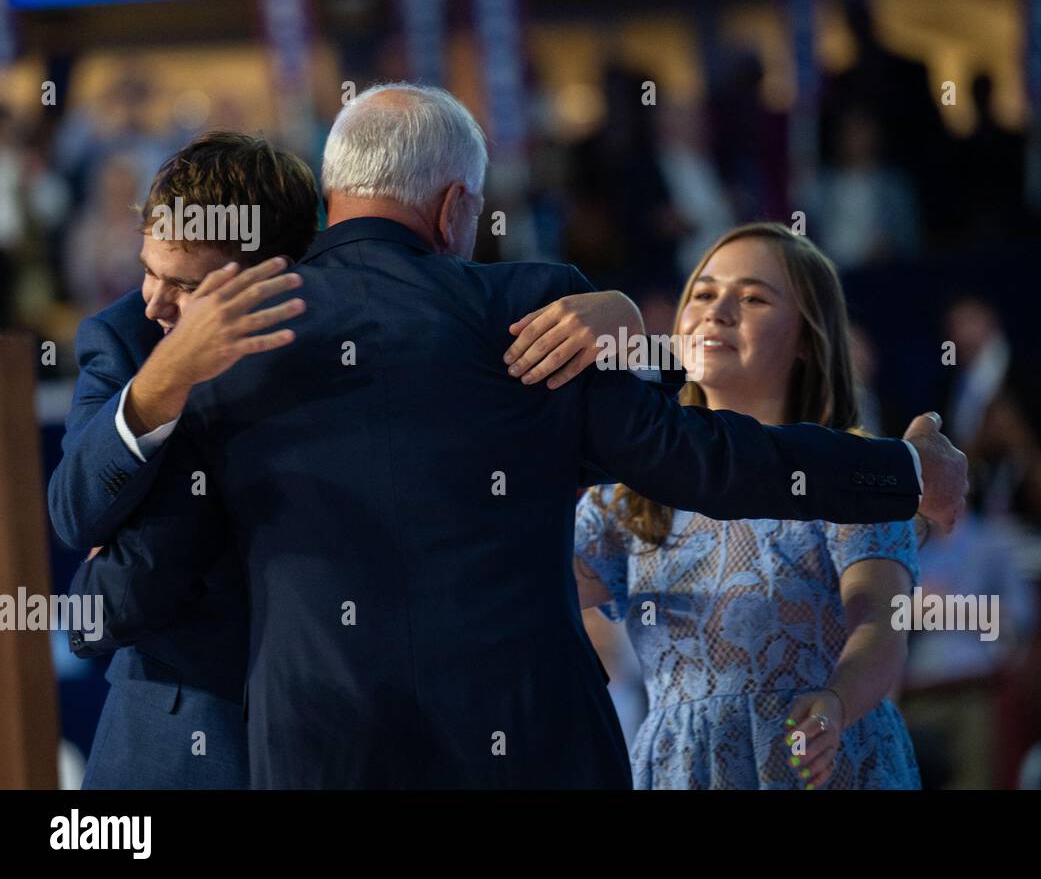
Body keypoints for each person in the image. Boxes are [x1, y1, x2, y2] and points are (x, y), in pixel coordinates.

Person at [78, 83, 967, 789]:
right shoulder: (537, 317)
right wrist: (899, 466)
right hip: (530, 751)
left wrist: (91, 608)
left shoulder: (225, 335)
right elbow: (712, 461)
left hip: (321, 753)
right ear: (456, 206)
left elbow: (145, 567)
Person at [568, 223, 923, 788]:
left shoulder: (853, 472)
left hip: (821, 764)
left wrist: (836, 700)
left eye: (753, 297)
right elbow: (530, 582)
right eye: (703, 294)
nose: (718, 311)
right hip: (684, 770)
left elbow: (880, 622)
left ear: (808, 339)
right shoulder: (625, 496)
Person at [53, 131, 320, 788]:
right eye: (148, 269)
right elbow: (72, 513)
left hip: (330, 726)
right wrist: (159, 382)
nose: (152, 301)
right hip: (163, 734)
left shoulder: (343, 343)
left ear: (266, 279)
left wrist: (612, 315)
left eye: (183, 285)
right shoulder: (124, 338)